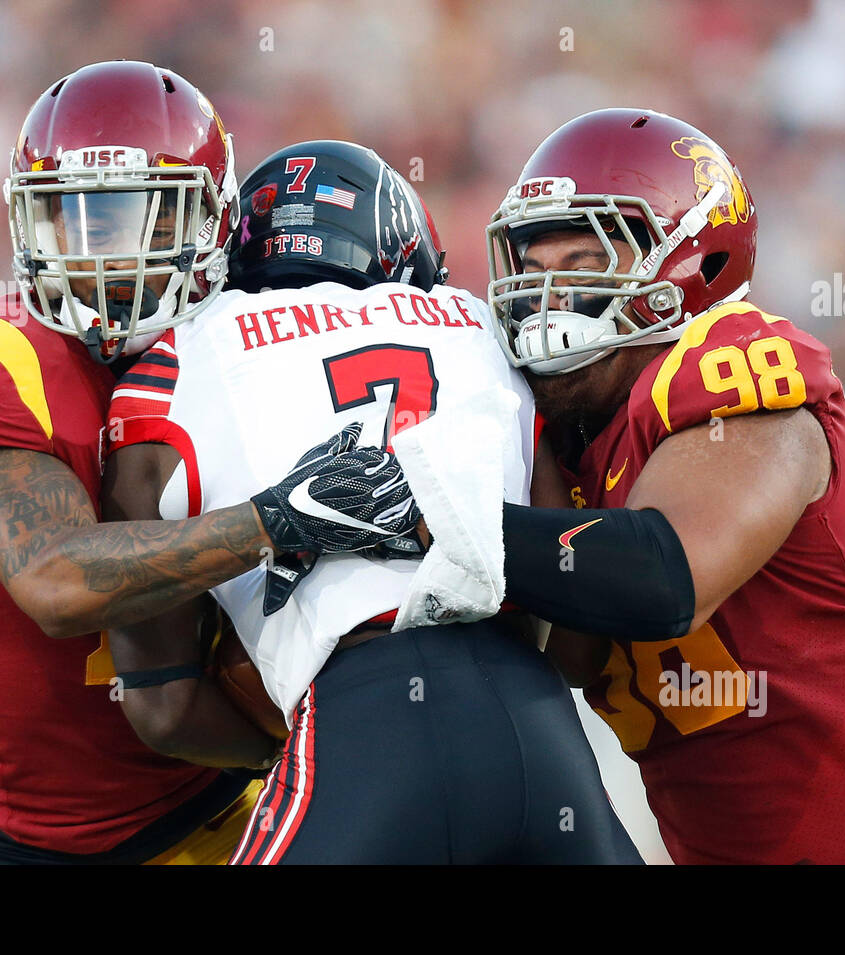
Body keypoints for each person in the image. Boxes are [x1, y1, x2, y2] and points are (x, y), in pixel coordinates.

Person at [482, 108, 845, 865]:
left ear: (691, 265)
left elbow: (662, 575)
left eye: (585, 266)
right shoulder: (576, 444)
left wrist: (440, 523)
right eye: (536, 269)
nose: (549, 300)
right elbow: (576, 655)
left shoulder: (733, 369)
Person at [0, 62, 414, 865]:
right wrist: (277, 518)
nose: (111, 255)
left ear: (214, 219)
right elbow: (56, 580)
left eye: (146, 218)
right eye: (79, 222)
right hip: (7, 838)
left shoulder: (251, 343)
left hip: (227, 807)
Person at [102, 140, 642, 864]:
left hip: (361, 722)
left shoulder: (174, 362)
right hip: (538, 730)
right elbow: (578, 636)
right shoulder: (481, 326)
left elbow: (162, 706)